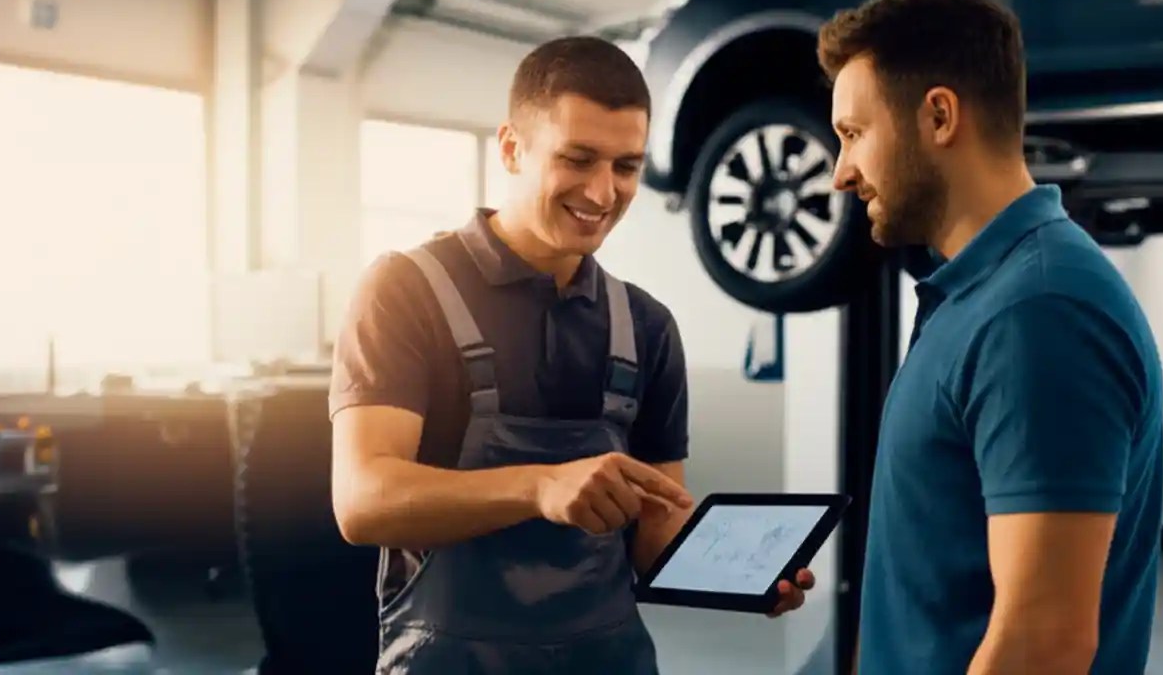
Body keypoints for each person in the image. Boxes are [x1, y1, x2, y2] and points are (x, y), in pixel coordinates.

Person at [328, 35, 814, 674]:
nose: (603, 191)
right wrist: (539, 487)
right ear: (511, 147)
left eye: (626, 166)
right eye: (578, 158)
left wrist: (739, 575)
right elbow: (364, 502)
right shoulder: (405, 290)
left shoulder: (646, 326)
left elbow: (654, 531)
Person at [818, 0, 1163, 675]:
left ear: (939, 115)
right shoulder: (980, 295)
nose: (840, 174)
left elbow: (1043, 643)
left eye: (854, 134)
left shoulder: (1038, 311)